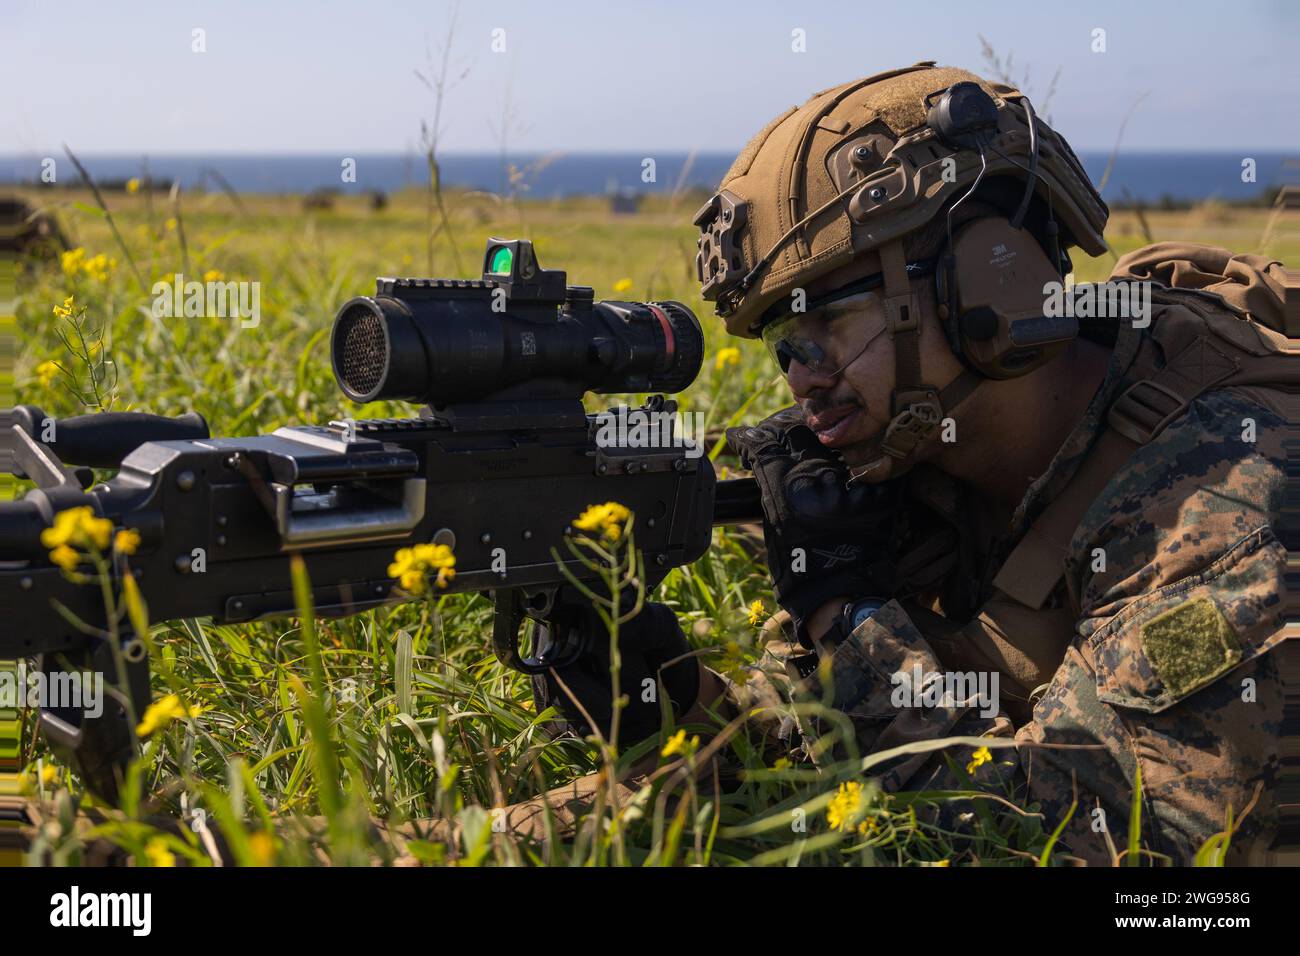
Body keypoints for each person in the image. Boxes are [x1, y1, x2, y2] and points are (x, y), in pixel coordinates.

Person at [533, 62, 1294, 865]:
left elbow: (1075, 849)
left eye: (829, 320)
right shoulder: (927, 459)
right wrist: (665, 694)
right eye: (783, 344)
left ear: (990, 279)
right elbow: (802, 753)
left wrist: (849, 615)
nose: (802, 376)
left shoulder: (1230, 498)